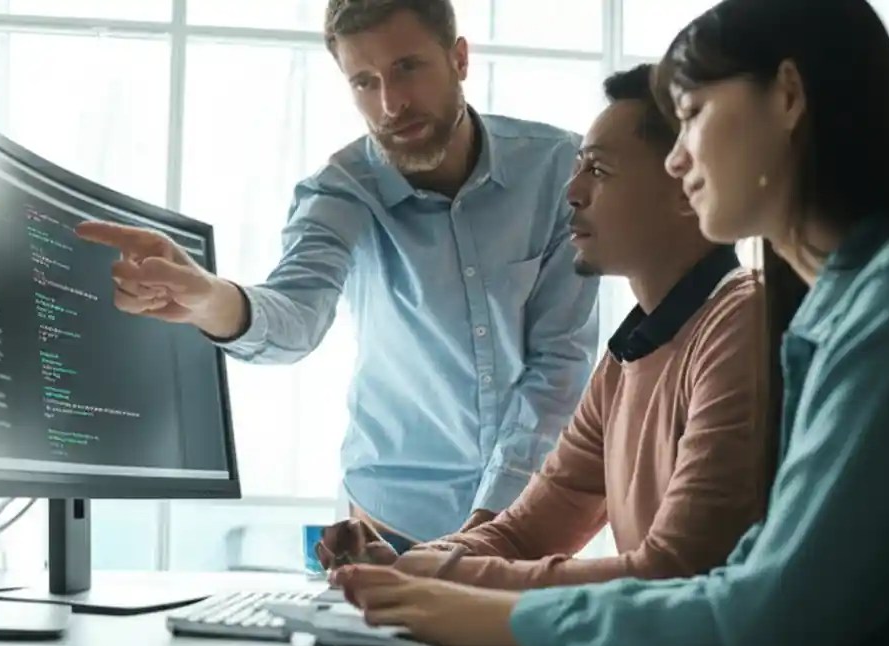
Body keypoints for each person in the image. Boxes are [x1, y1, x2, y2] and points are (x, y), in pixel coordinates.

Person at [331, 0, 889, 646]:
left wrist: (468, 611)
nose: (677, 156)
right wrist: (417, 575)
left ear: (788, 97)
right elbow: (745, 585)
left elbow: (755, 617)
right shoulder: (838, 308)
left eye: (691, 113)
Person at [75, 0, 599, 545]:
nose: (390, 103)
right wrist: (210, 298)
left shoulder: (558, 170)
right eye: (364, 82)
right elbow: (297, 312)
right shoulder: (340, 189)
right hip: (391, 526)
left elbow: (560, 360)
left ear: (459, 58)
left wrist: (497, 516)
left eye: (407, 68)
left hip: (526, 520)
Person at [317, 63, 796, 590]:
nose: (571, 191)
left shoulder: (740, 327)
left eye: (598, 170)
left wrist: (425, 572)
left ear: (686, 182)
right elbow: (522, 534)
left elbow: (674, 569)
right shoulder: (625, 359)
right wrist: (400, 564)